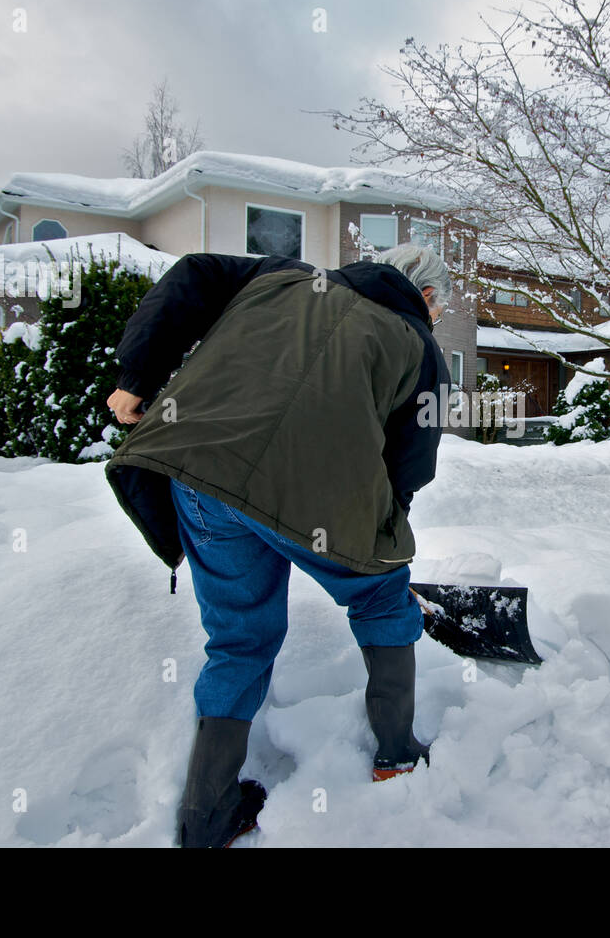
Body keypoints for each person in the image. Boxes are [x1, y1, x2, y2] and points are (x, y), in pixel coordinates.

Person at [103, 243, 452, 848]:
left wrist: (137, 376)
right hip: (318, 498)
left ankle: (206, 818)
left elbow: (193, 273)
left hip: (199, 473)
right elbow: (411, 466)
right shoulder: (418, 346)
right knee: (381, 602)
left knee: (238, 640)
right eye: (438, 307)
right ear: (423, 296)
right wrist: (384, 547)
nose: (437, 317)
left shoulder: (281, 276)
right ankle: (396, 754)